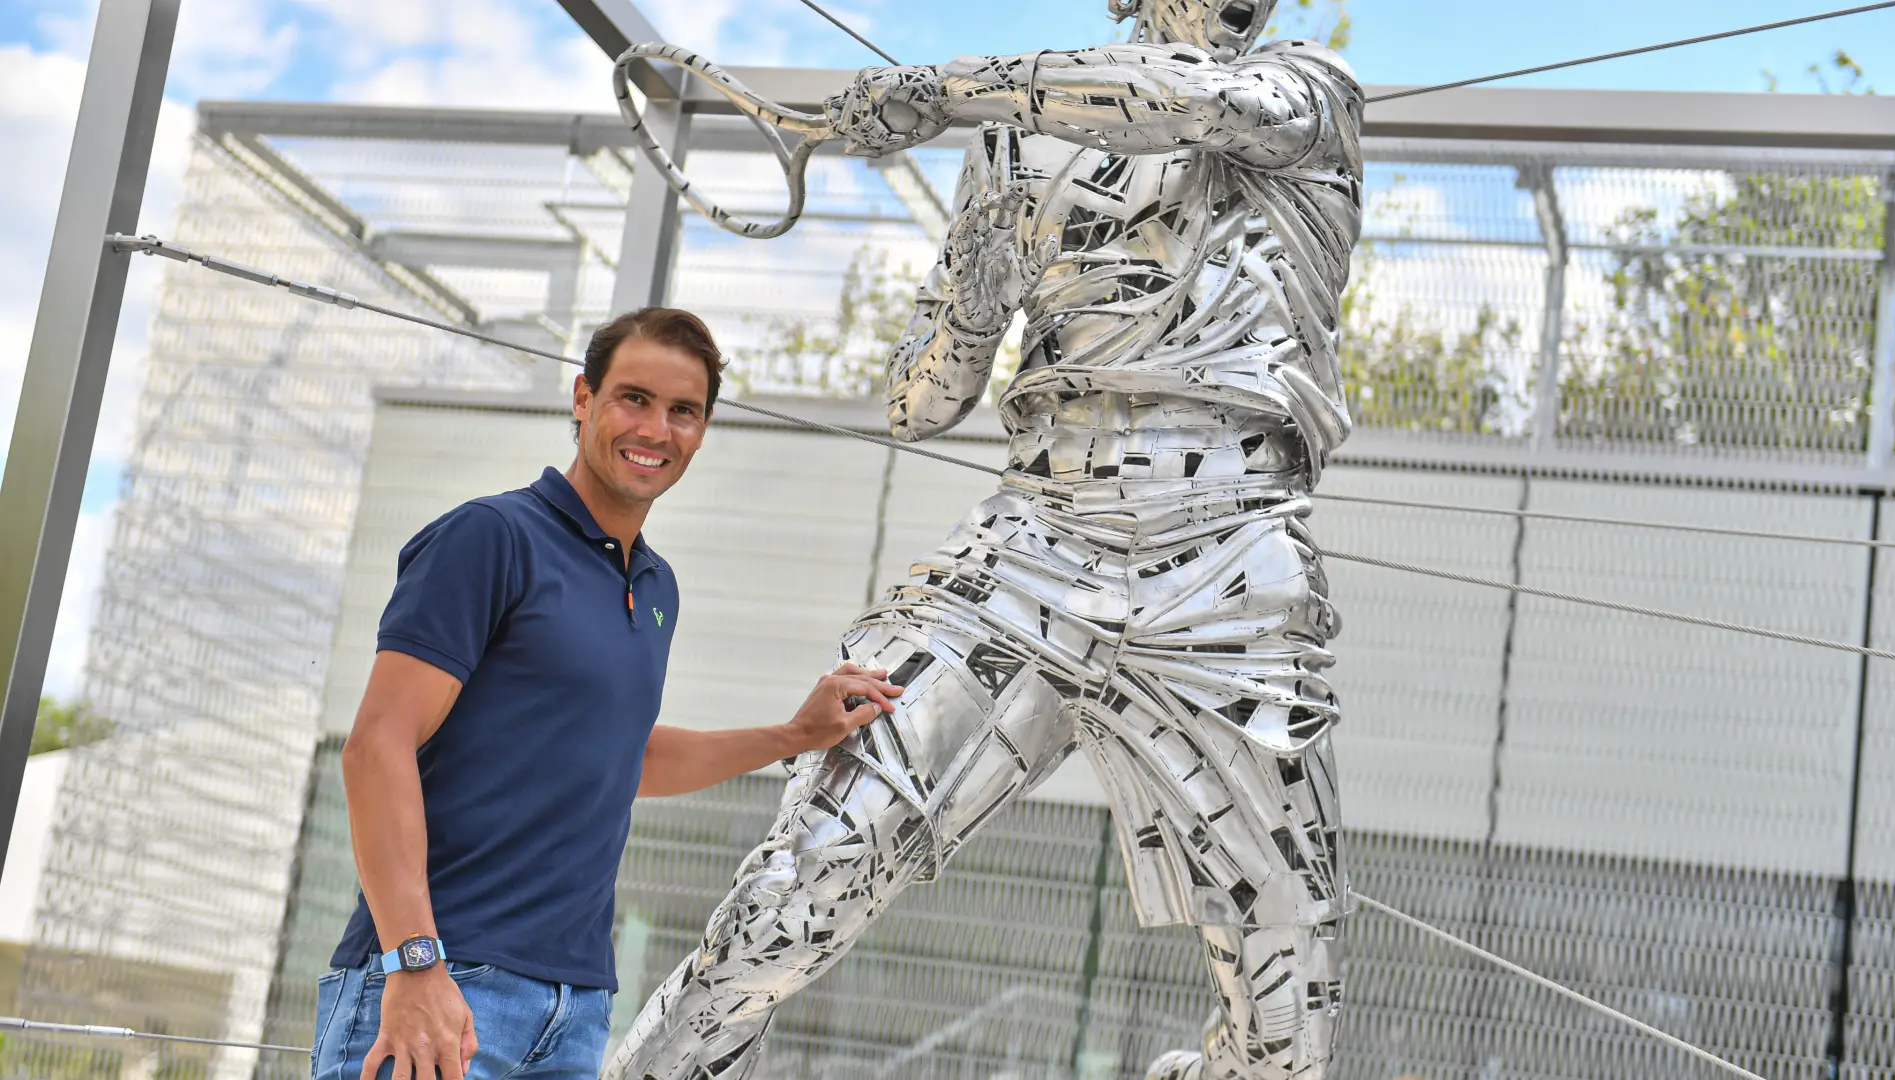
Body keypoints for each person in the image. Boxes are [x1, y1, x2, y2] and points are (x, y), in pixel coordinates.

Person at [606, 2, 1364, 1079]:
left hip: (1230, 580)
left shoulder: (1307, 97)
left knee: (1289, 1044)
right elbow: (923, 402)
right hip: (1029, 555)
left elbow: (1181, 100)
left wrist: (940, 93)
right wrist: (981, 268)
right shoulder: (1014, 138)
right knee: (802, 886)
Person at [312, 307, 903, 1080]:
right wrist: (415, 961)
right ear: (583, 399)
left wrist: (793, 736)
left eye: (682, 411)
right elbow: (375, 747)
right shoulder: (491, 538)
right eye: (634, 399)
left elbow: (628, 759)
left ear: (702, 429)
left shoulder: (656, 587)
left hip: (576, 1011)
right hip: (447, 981)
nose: (656, 429)